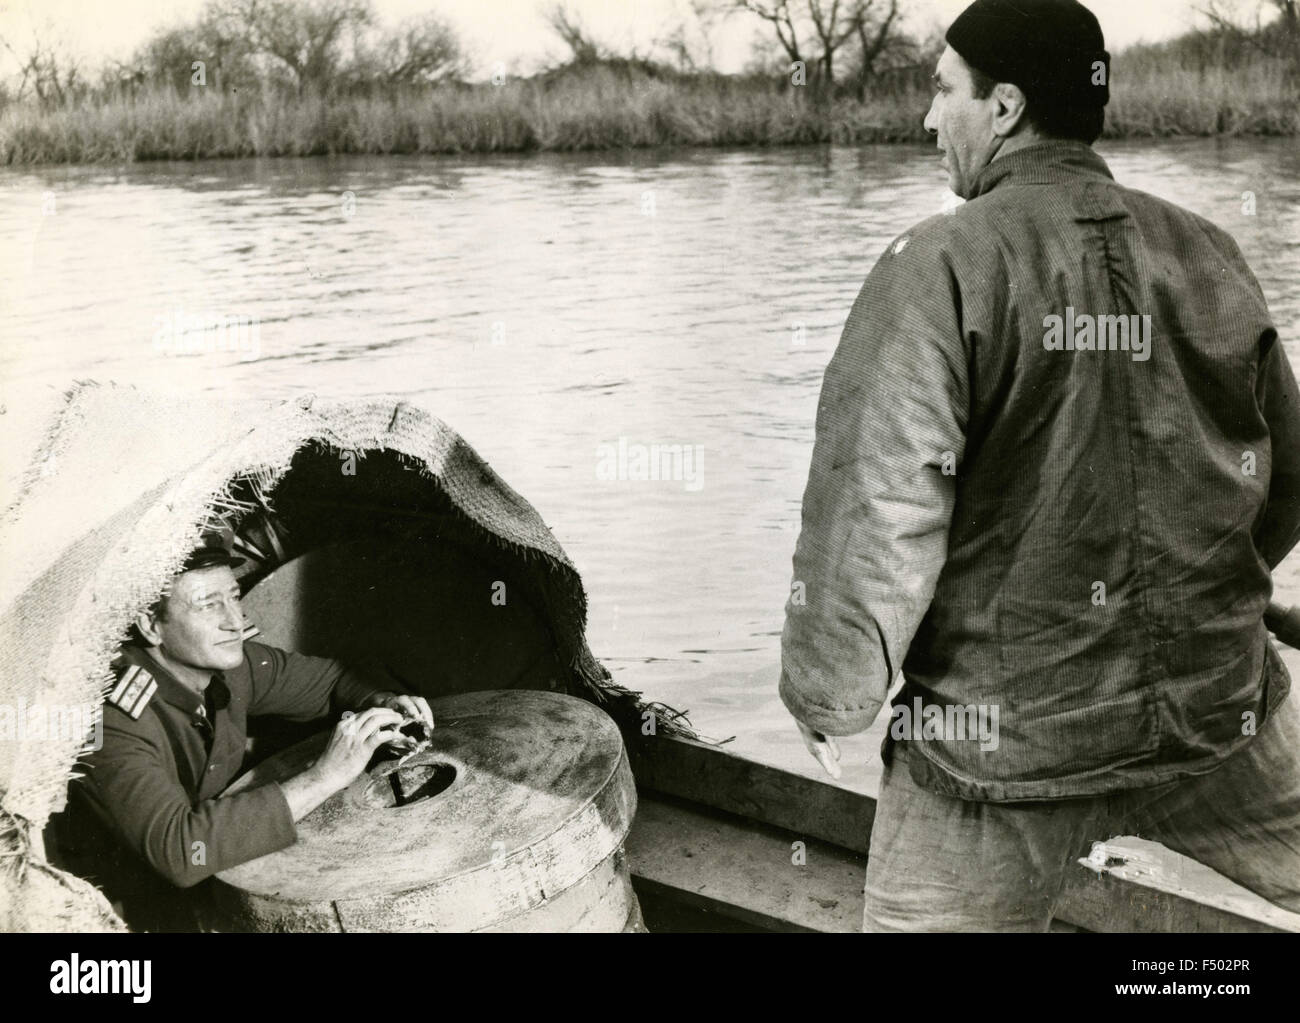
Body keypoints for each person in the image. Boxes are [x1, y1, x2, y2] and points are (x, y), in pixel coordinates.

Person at [779, 0, 1300, 931]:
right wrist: (1202, 599)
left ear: (1006, 108)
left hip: (996, 753)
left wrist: (831, 690)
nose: (929, 120)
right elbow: (1288, 471)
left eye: (944, 92)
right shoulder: (1210, 250)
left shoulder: (936, 261)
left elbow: (878, 509)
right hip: (1215, 715)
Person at [59, 537, 435, 930]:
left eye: (234, 597)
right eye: (208, 605)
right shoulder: (108, 718)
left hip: (221, 882)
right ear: (151, 626)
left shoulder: (224, 662)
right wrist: (325, 776)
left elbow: (331, 681)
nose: (235, 620)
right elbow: (183, 850)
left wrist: (384, 701)